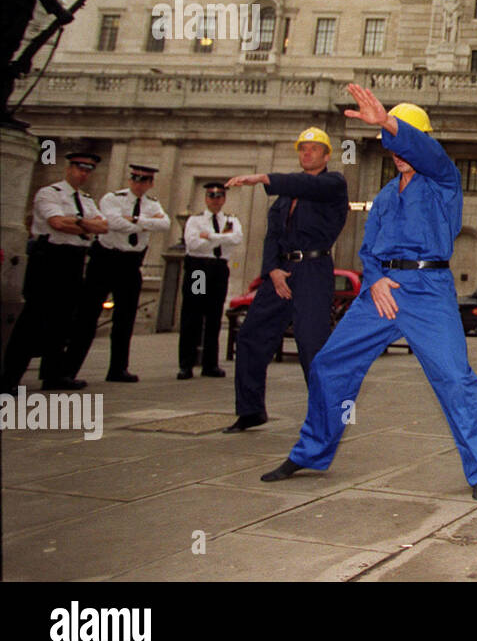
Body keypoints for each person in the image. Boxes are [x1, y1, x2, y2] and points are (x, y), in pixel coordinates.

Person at [261, 87, 477, 500]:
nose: (398, 152)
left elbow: (429, 155)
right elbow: (368, 248)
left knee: (455, 380)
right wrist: (374, 280)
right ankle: (311, 451)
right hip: (381, 291)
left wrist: (389, 123)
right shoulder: (386, 196)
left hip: (428, 291)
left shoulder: (444, 180)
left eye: (404, 140)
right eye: (391, 146)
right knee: (329, 365)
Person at [222, 126, 349, 432]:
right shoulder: (285, 197)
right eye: (302, 149)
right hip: (281, 273)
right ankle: (251, 410)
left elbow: (306, 186)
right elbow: (272, 236)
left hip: (313, 272)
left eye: (314, 149)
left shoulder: (334, 183)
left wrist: (263, 178)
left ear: (327, 154)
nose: (307, 153)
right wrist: (272, 270)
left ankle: (326, 418)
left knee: (311, 344)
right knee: (251, 337)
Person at [1, 151, 107, 393]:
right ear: (69, 168)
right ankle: (10, 378)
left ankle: (52, 375)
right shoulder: (50, 193)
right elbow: (56, 223)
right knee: (34, 317)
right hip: (49, 258)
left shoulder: (88, 199)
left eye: (89, 169)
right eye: (80, 168)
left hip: (75, 259)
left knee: (63, 319)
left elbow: (103, 226)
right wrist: (84, 224)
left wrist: (77, 222)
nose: (84, 173)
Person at [64, 163, 171, 383]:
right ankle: (68, 370)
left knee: (126, 318)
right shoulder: (113, 198)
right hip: (105, 260)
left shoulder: (153, 203)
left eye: (144, 180)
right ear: (130, 179)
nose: (139, 183)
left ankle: (118, 369)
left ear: (151, 183)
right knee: (87, 316)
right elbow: (112, 223)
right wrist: (145, 224)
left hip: (131, 263)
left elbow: (165, 224)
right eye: (135, 178)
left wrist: (134, 221)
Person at [177, 182, 243, 379]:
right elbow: (194, 244)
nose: (216, 200)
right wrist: (221, 238)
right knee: (193, 313)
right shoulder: (195, 220)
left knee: (214, 315)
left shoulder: (231, 219)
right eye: (212, 196)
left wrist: (210, 237)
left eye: (219, 196)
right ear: (206, 198)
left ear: (224, 199)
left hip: (219, 269)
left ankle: (210, 364)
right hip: (199, 269)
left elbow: (236, 238)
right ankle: (186, 364)